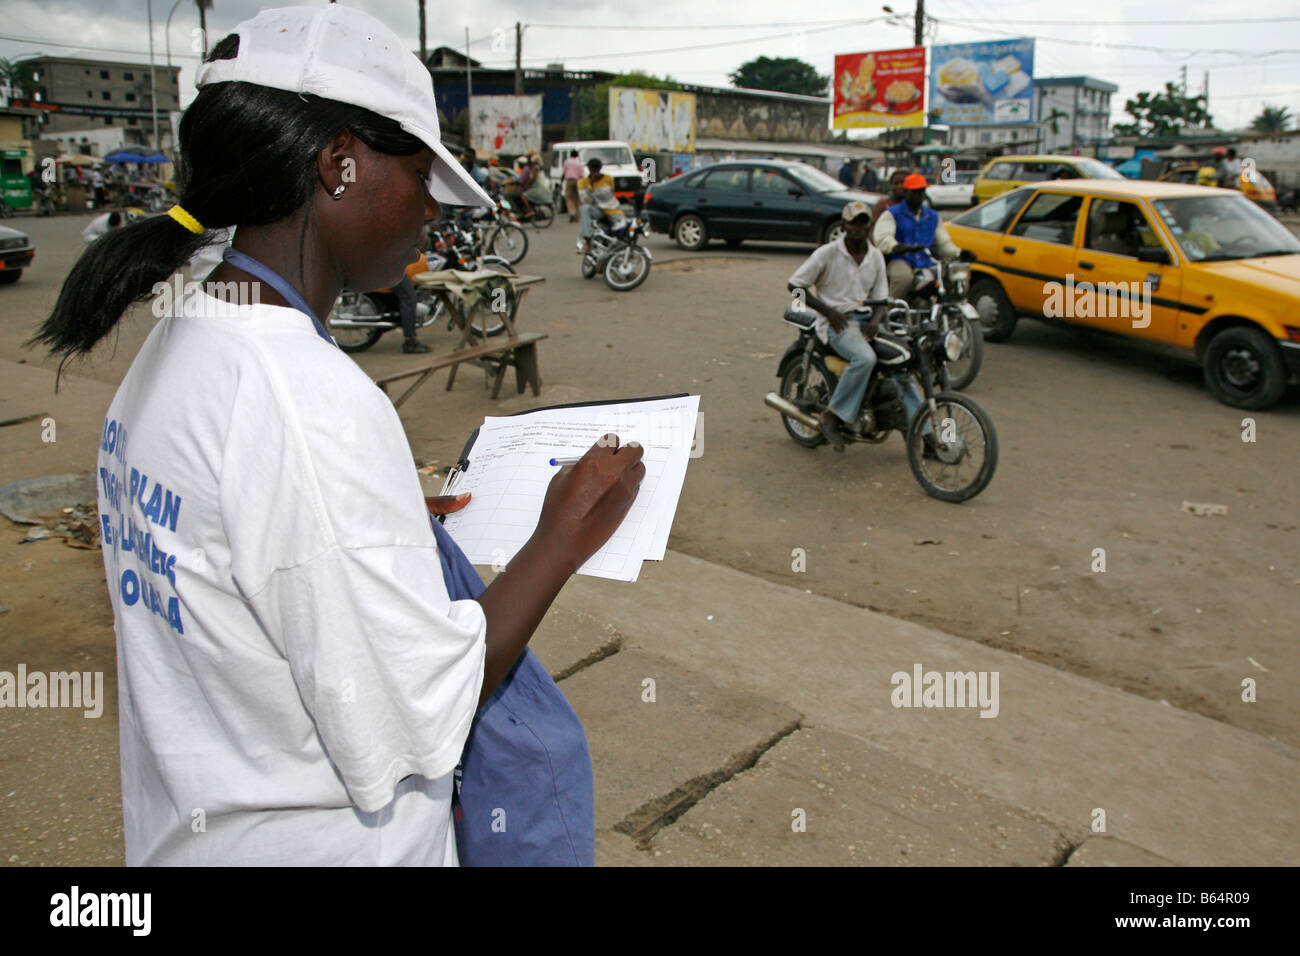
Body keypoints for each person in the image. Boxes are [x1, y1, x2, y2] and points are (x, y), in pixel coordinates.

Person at [31, 4, 644, 867]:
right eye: (420, 176)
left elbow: (249, 539)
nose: (431, 211)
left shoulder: (182, 337)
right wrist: (562, 536)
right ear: (341, 165)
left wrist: (372, 518)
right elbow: (422, 711)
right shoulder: (310, 404)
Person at [873, 173, 962, 300]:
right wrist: (896, 246)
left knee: (952, 277)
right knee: (904, 278)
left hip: (926, 261)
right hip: (901, 259)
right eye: (915, 192)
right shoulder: (892, 213)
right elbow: (883, 238)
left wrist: (959, 253)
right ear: (906, 192)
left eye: (921, 191)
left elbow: (944, 244)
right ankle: (889, 310)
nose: (919, 195)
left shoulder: (932, 216)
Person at [577, 157, 622, 253]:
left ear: (600, 168)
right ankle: (587, 240)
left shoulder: (608, 178)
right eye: (592, 168)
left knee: (624, 227)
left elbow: (610, 194)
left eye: (596, 168)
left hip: (612, 210)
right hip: (598, 210)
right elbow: (585, 200)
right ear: (589, 168)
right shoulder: (583, 182)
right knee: (584, 208)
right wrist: (592, 184)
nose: (594, 170)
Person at [870, 168, 910, 233]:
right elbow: (873, 230)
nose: (899, 186)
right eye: (896, 183)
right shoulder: (882, 205)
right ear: (891, 185)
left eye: (903, 183)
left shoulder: (913, 206)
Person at [562, 149, 584, 222]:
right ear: (577, 155)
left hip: (569, 180)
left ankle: (572, 213)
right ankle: (578, 216)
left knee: (569, 198)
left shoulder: (567, 162)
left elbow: (564, 172)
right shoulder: (579, 163)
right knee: (577, 198)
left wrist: (561, 181)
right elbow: (581, 174)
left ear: (570, 155)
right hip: (578, 181)